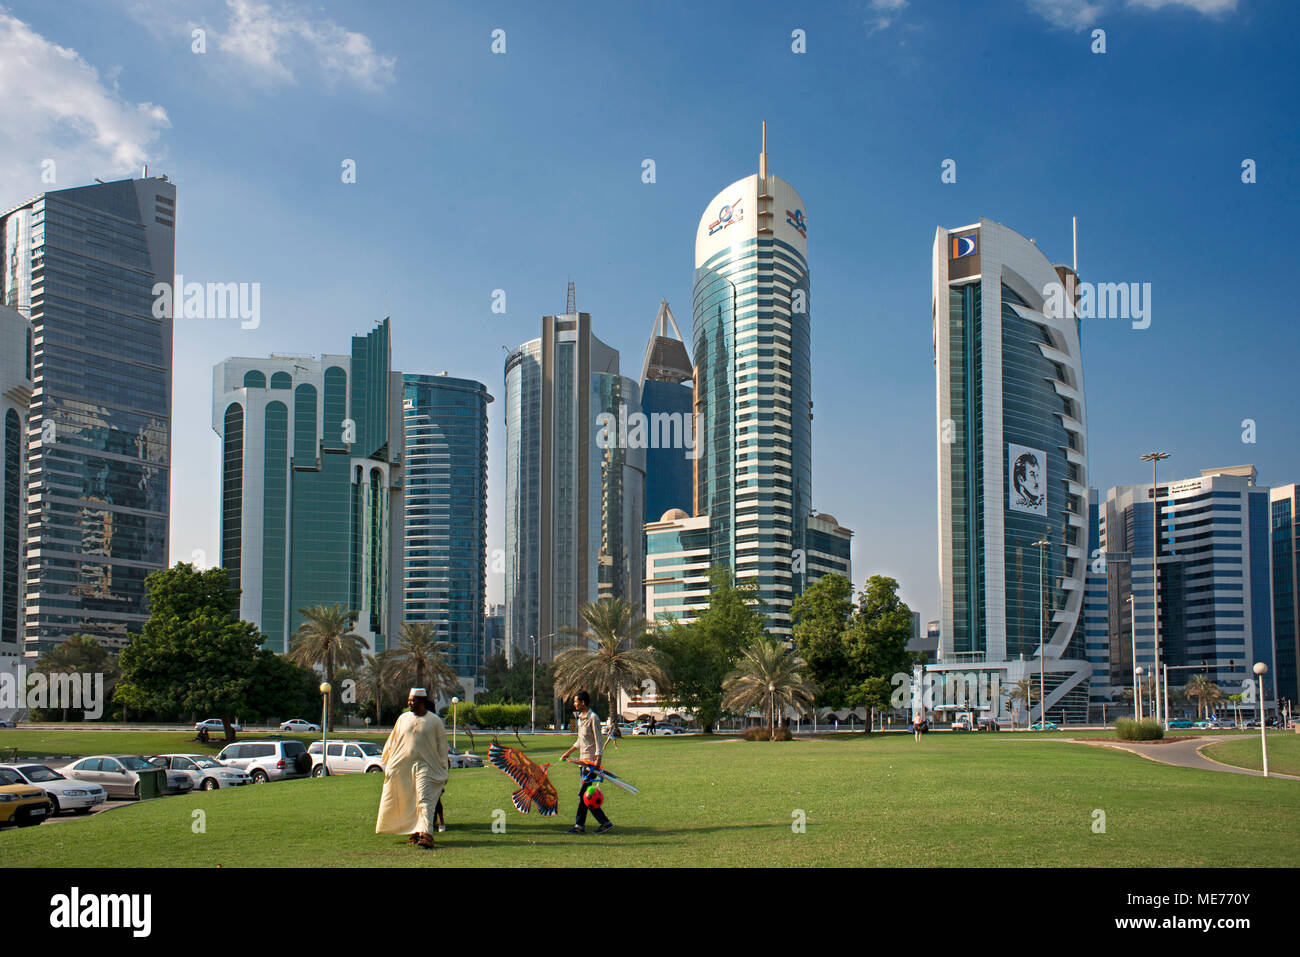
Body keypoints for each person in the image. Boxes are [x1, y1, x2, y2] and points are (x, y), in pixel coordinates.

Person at [375, 688, 448, 849]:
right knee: (409, 800)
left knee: (424, 798)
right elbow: (393, 741)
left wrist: (444, 768)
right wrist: (388, 763)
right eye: (409, 700)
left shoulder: (435, 721)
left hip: (427, 766)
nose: (409, 703)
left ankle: (427, 834)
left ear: (421, 701)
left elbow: (442, 747)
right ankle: (415, 832)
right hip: (404, 766)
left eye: (412, 700)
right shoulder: (403, 719)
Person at [560, 690, 613, 835]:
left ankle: (581, 826)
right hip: (582, 763)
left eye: (576, 701)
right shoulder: (580, 718)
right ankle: (601, 823)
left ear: (583, 702)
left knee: (584, 794)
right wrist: (568, 753)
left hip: (591, 763)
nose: (574, 704)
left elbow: (598, 740)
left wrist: (598, 760)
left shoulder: (593, 718)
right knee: (585, 795)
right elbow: (580, 741)